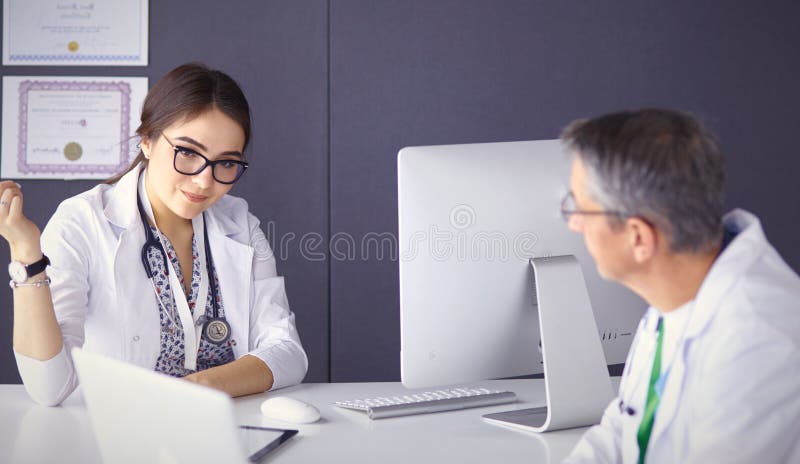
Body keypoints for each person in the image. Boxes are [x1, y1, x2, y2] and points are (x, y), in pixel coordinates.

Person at [0, 63, 308, 406]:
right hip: (122, 435)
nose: (205, 180)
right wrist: (26, 254)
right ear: (147, 140)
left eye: (226, 162)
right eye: (188, 153)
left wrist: (195, 389)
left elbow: (287, 352)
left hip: (227, 427)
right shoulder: (82, 223)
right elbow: (49, 387)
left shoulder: (240, 224)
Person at [559, 109, 800, 463]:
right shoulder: (678, 295)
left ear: (638, 237)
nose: (574, 224)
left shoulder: (757, 335)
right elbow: (623, 427)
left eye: (580, 207)